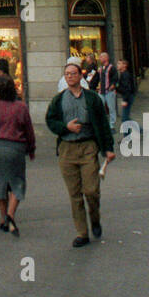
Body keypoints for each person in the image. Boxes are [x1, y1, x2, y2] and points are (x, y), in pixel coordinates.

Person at [45, 60, 115, 248]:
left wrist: (108, 148)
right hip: (67, 149)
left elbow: (102, 124)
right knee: (75, 194)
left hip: (88, 146)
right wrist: (64, 127)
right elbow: (50, 120)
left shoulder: (92, 98)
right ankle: (82, 232)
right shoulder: (58, 100)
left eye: (73, 73)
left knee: (91, 190)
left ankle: (95, 218)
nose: (70, 77)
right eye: (67, 74)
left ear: (80, 76)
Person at [0, 73, 36, 236]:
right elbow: (28, 130)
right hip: (16, 148)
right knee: (17, 182)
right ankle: (10, 216)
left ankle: (4, 218)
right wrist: (31, 149)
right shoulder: (21, 107)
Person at [114, 58, 137, 125]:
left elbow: (127, 89)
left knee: (124, 119)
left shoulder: (125, 75)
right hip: (127, 96)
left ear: (124, 65)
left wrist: (125, 100)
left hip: (128, 97)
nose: (117, 65)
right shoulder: (122, 74)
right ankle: (139, 130)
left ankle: (129, 134)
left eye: (119, 63)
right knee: (126, 118)